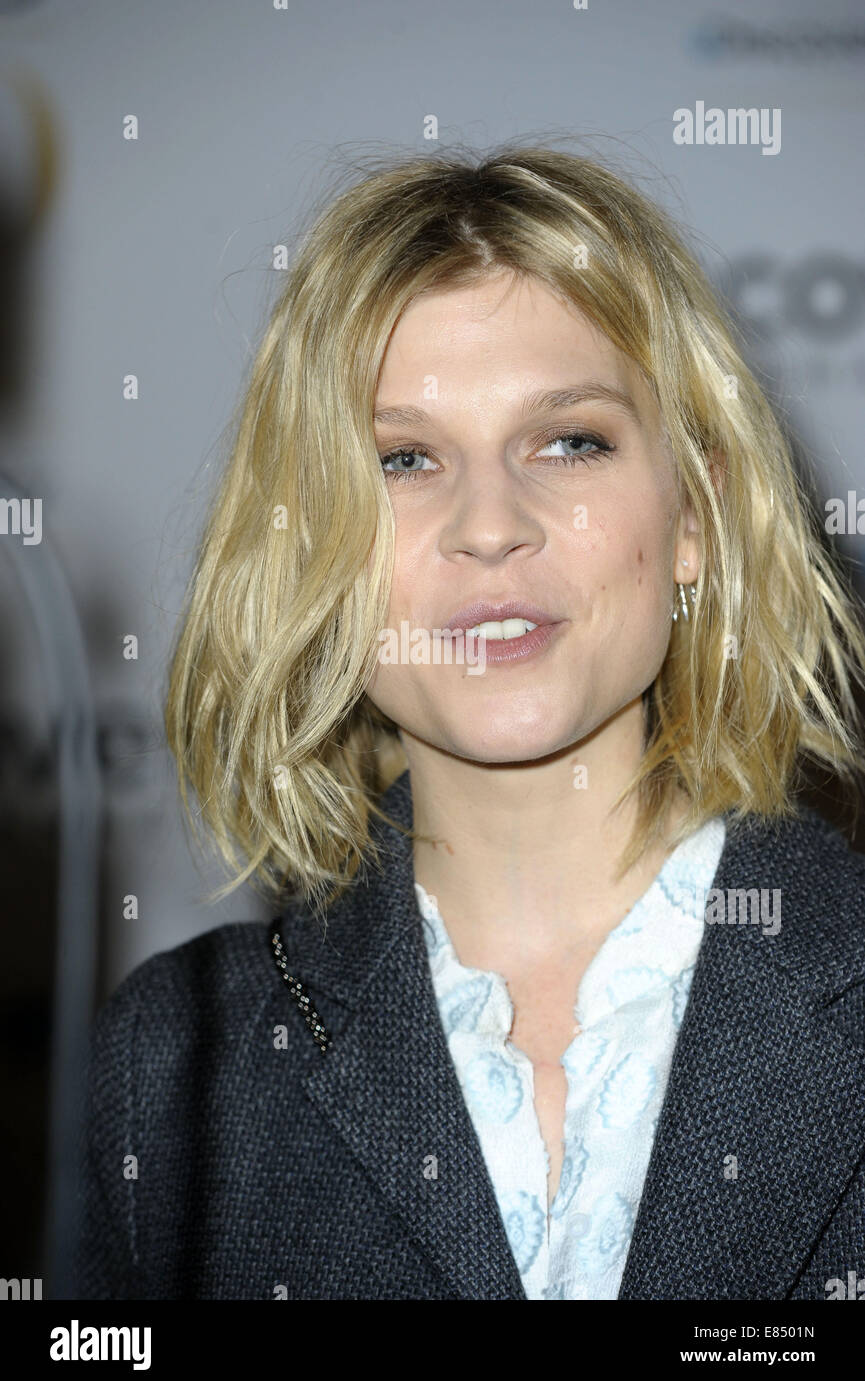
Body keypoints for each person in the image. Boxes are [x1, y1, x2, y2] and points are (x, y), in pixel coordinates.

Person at [73, 143, 865, 1300]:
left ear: (691, 515)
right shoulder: (176, 1061)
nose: (490, 523)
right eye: (404, 459)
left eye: (569, 439)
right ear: (313, 552)